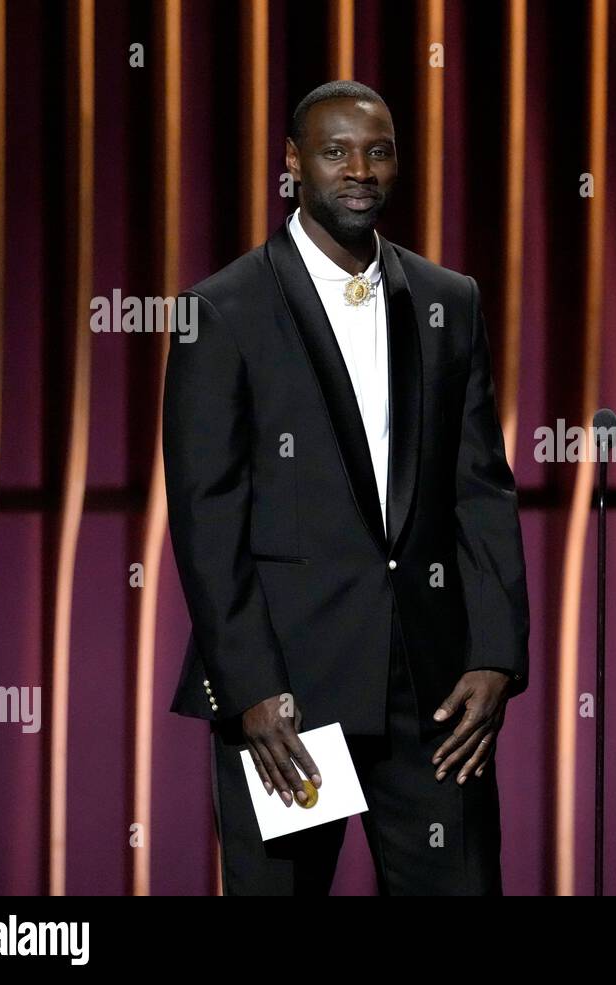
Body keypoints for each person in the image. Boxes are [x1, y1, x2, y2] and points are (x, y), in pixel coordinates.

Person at [163, 81, 529, 895]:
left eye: (378, 150)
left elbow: (481, 489)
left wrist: (497, 652)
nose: (359, 170)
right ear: (293, 163)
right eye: (335, 152)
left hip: (435, 699)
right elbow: (205, 520)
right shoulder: (221, 311)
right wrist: (252, 688)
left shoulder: (449, 300)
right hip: (291, 704)